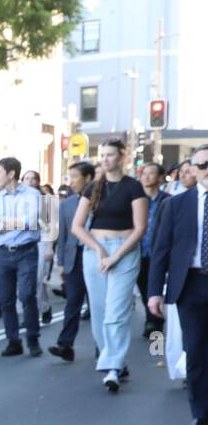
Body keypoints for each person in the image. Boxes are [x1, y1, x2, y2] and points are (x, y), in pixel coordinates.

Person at [70, 138, 148, 392]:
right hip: (95, 251)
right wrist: (99, 249)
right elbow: (77, 226)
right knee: (100, 311)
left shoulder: (134, 187)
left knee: (116, 311)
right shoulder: (93, 187)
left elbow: (140, 228)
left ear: (122, 157)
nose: (105, 159)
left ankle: (112, 367)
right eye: (102, 154)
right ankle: (114, 359)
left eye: (110, 154)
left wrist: (116, 255)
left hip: (125, 250)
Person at [148, 145, 208, 425]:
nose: (206, 170)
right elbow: (160, 251)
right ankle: (201, 416)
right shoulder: (176, 204)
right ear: (194, 170)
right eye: (202, 165)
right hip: (191, 284)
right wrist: (154, 292)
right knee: (196, 351)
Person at [0, 156, 44, 357]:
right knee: (6, 300)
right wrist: (15, 222)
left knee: (27, 295)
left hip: (26, 251)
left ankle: (33, 338)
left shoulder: (32, 194)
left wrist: (6, 223)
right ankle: (13, 340)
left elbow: (31, 221)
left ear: (11, 174)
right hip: (1, 253)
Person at [48, 160, 95, 362]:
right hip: (74, 260)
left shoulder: (103, 200)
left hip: (96, 258)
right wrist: (61, 263)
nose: (71, 182)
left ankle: (106, 351)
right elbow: (64, 235)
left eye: (75, 177)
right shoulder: (67, 204)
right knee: (73, 302)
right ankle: (65, 344)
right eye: (69, 177)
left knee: (99, 306)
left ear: (88, 178)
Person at [137, 163, 170, 339]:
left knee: (155, 290)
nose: (146, 176)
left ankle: (154, 325)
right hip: (139, 252)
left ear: (159, 178)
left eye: (151, 173)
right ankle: (153, 320)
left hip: (161, 254)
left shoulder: (168, 200)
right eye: (144, 173)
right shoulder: (135, 200)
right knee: (144, 290)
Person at [23, 170, 56, 326]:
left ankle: (41, 310)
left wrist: (50, 247)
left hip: (42, 242)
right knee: (25, 282)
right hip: (24, 243)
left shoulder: (43, 201)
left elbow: (50, 226)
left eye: (32, 179)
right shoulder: (18, 200)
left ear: (38, 182)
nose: (29, 181)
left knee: (38, 280)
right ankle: (33, 312)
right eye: (26, 178)